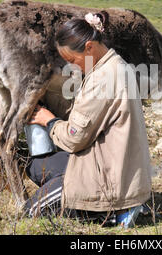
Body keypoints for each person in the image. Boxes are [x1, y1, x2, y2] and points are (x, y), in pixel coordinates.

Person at [23, 12, 152, 227]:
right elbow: (88, 115)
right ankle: (124, 201)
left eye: (73, 60)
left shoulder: (103, 79)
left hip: (108, 178)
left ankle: (112, 211)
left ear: (89, 47)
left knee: (32, 211)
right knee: (36, 167)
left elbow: (75, 139)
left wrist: (49, 121)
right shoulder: (113, 65)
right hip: (114, 164)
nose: (73, 67)